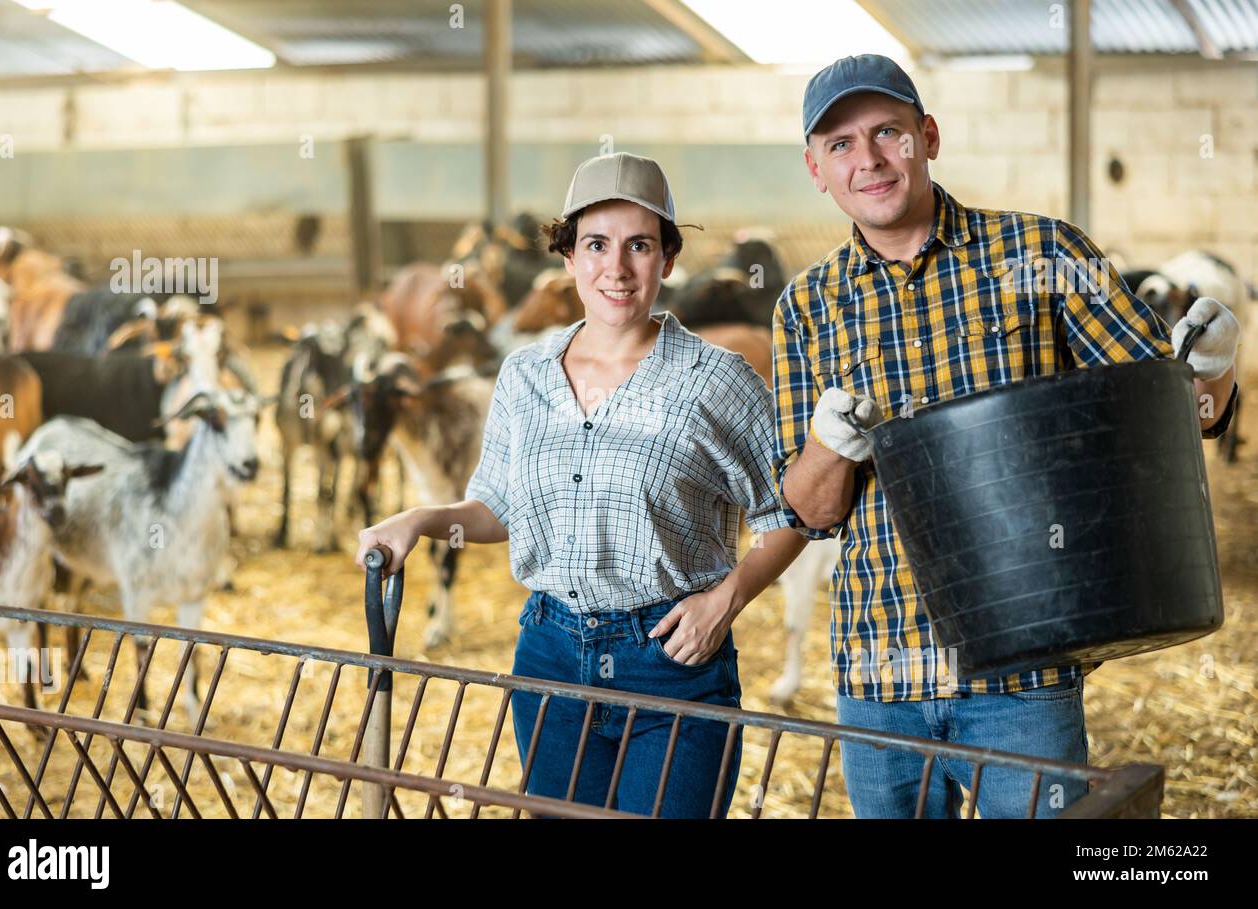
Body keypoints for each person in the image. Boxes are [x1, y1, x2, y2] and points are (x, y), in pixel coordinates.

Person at [772, 54, 1240, 819]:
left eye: (888, 132)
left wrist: (1214, 374)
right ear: (816, 168)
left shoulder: (1044, 257)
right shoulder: (805, 307)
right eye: (842, 144)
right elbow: (808, 512)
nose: (870, 160)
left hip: (1023, 678)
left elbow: (1165, 413)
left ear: (927, 135)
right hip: (880, 678)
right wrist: (828, 448)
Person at [356, 152, 807, 817]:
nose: (616, 268)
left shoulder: (719, 380)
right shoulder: (525, 374)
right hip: (549, 655)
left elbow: (794, 509)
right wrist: (422, 518)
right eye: (595, 244)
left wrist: (727, 599)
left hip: (671, 662)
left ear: (668, 260)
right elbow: (498, 507)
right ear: (567, 258)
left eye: (640, 246)